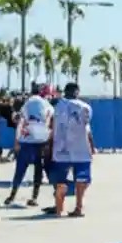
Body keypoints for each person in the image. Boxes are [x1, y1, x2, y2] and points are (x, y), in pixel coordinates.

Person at [45, 83, 94, 218]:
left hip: (61, 148)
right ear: (77, 92)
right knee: (82, 178)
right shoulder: (85, 107)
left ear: (65, 92)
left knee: (60, 180)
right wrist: (92, 147)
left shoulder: (56, 106)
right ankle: (78, 208)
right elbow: (87, 128)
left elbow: (51, 125)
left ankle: (59, 209)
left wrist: (49, 144)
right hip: (80, 147)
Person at [3, 84, 51, 207]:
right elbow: (51, 120)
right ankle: (34, 197)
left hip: (26, 141)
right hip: (41, 142)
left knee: (20, 170)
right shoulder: (46, 104)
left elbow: (19, 121)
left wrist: (17, 142)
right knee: (38, 171)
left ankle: (12, 196)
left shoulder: (27, 103)